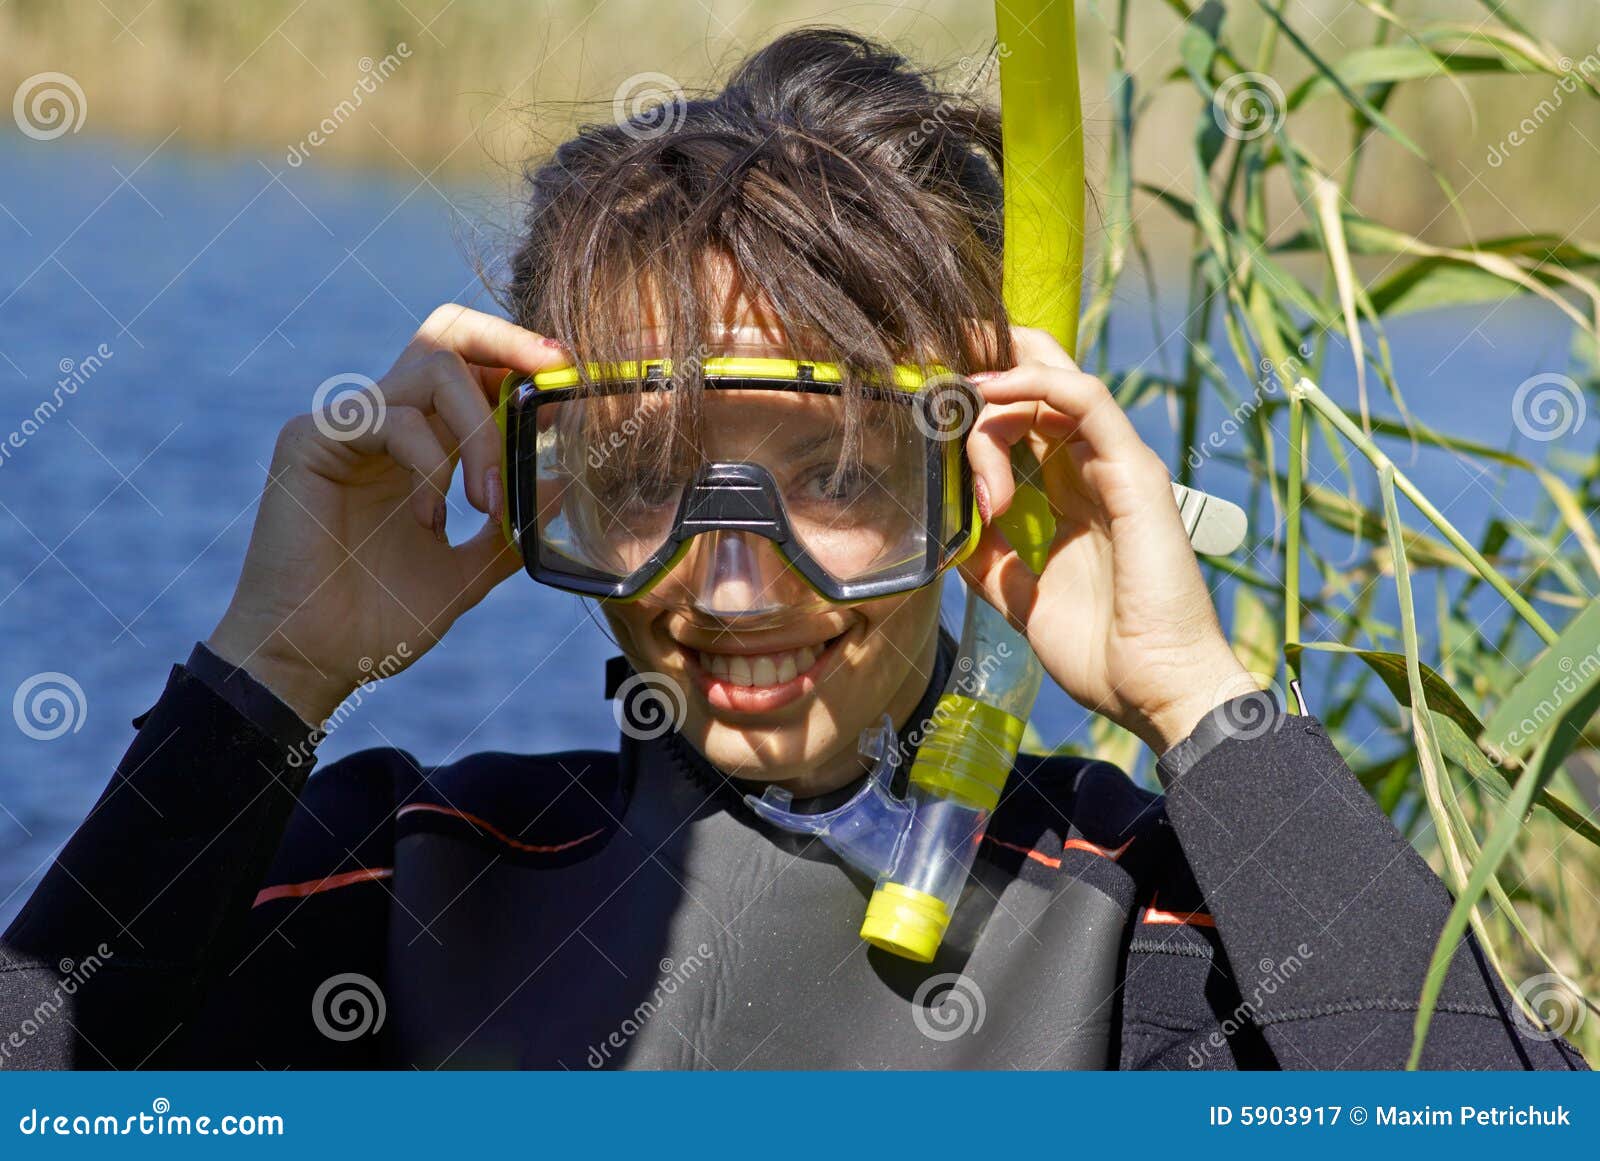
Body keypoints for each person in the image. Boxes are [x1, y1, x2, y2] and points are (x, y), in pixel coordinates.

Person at [0, 28, 1584, 1071]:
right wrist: (269, 676)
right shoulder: (389, 878)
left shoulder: (1143, 925)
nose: (737, 581)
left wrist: (1200, 704)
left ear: (981, 472)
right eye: (641, 477)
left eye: (834, 470)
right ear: (534, 470)